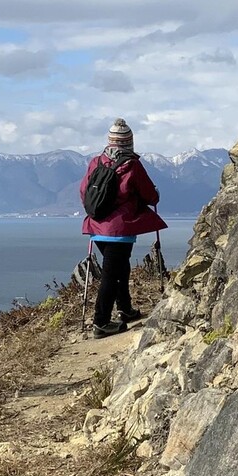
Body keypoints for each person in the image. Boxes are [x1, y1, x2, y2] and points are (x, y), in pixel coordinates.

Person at [81, 118, 167, 337]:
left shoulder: (96, 162)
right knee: (112, 273)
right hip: (120, 230)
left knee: (119, 268)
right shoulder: (131, 164)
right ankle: (101, 322)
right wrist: (155, 194)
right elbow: (149, 195)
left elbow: (84, 191)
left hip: (96, 227)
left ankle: (125, 309)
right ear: (129, 142)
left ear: (110, 141)